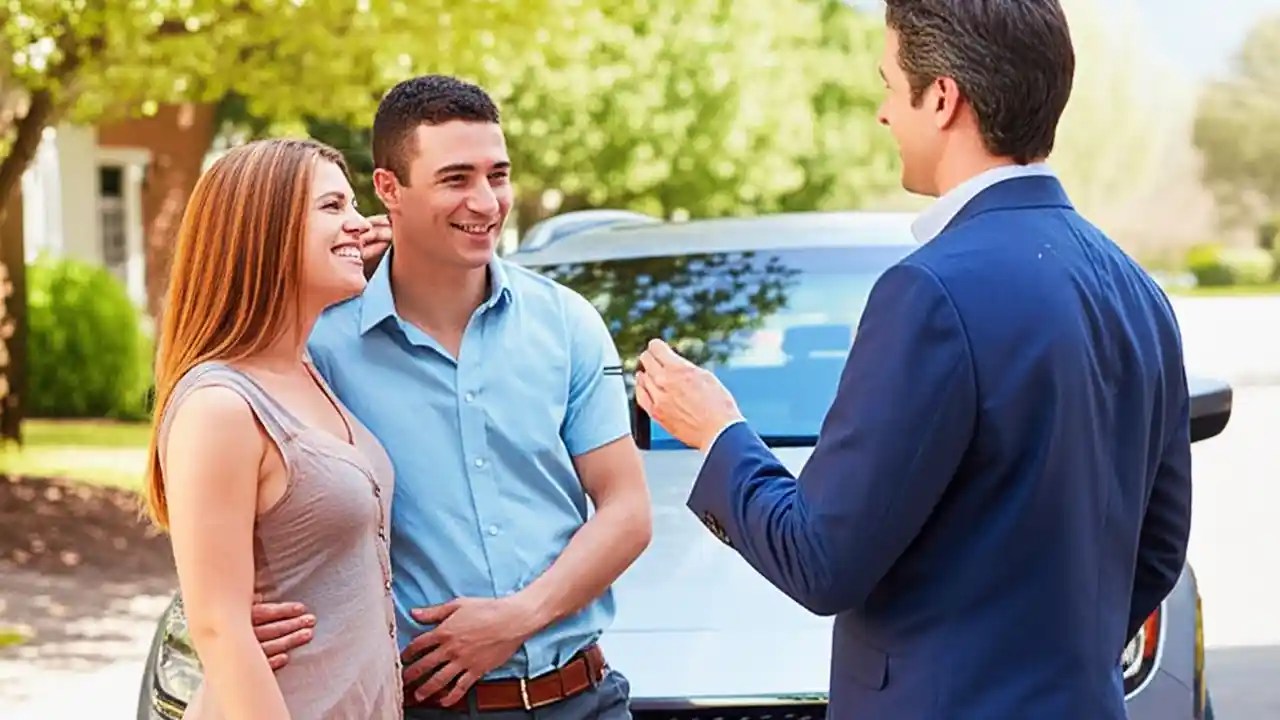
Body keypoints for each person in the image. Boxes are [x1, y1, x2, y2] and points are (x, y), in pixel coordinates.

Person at [634, 1, 1191, 719]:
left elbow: (820, 559)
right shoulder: (1136, 288)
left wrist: (718, 432)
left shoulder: (930, 290)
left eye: (890, 85)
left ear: (942, 97)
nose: (883, 114)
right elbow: (1159, 547)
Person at [246, 75, 652, 719]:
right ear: (389, 191)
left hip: (581, 698)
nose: (486, 202)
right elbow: (248, 492)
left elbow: (627, 510)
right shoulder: (321, 345)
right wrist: (240, 610)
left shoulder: (567, 323)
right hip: (422, 706)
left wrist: (517, 617)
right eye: (456, 178)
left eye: (498, 174)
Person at [142, 138, 402, 718]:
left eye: (354, 207)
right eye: (333, 207)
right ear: (266, 230)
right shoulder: (220, 405)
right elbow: (219, 628)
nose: (360, 224)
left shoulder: (307, 371)